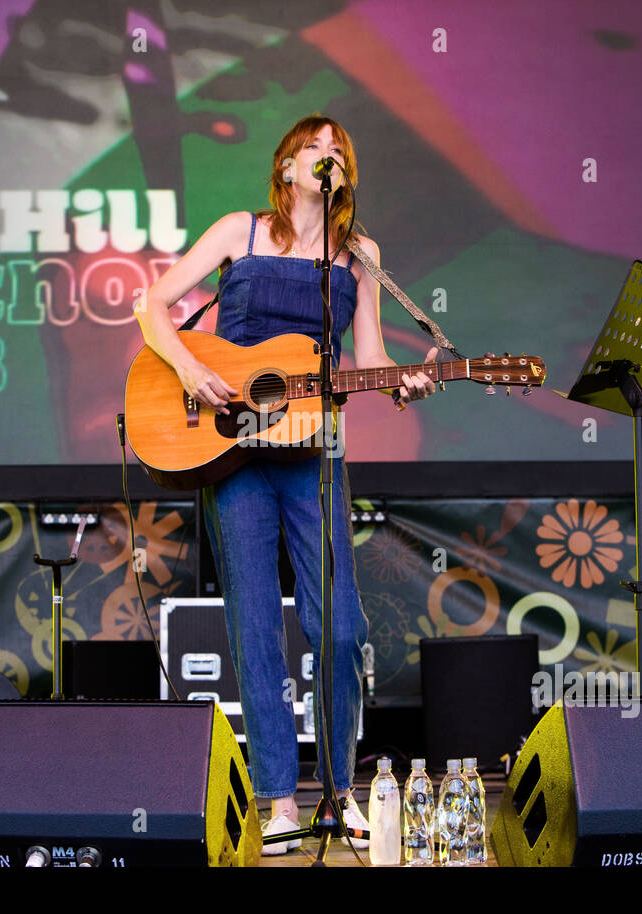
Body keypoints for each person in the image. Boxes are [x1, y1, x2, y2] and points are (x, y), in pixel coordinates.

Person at [135, 115, 436, 854]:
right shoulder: (238, 231)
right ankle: (276, 798)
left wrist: (404, 383)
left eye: (340, 147)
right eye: (315, 145)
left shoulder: (358, 255)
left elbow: (364, 359)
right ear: (287, 163)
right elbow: (150, 306)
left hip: (315, 447)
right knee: (256, 624)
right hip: (230, 446)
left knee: (340, 622)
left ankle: (338, 790)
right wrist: (189, 370)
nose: (328, 154)